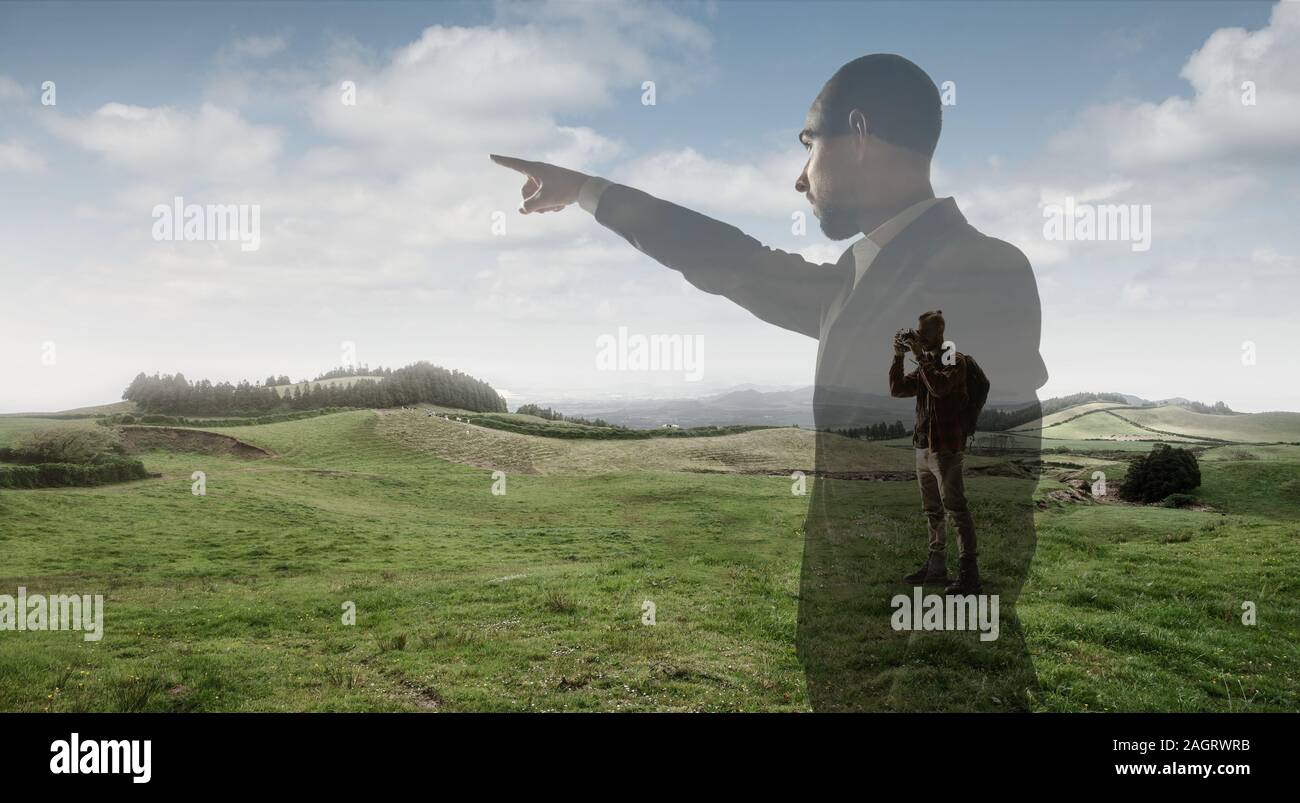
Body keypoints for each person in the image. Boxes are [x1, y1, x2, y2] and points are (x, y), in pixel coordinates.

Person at [492, 53, 1046, 711]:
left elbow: (995, 508)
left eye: (809, 146)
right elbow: (732, 263)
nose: (799, 177)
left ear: (859, 134)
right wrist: (589, 191)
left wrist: (919, 684)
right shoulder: (853, 280)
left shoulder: (979, 268)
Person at [890, 310, 982, 593]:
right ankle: (936, 565)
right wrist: (898, 356)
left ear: (940, 332)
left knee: (956, 508)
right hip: (922, 446)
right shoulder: (926, 362)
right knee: (932, 510)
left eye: (924, 333)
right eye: (917, 333)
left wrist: (919, 356)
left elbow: (940, 388)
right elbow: (898, 389)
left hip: (945, 448)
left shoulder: (956, 360)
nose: (919, 338)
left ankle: (969, 574)